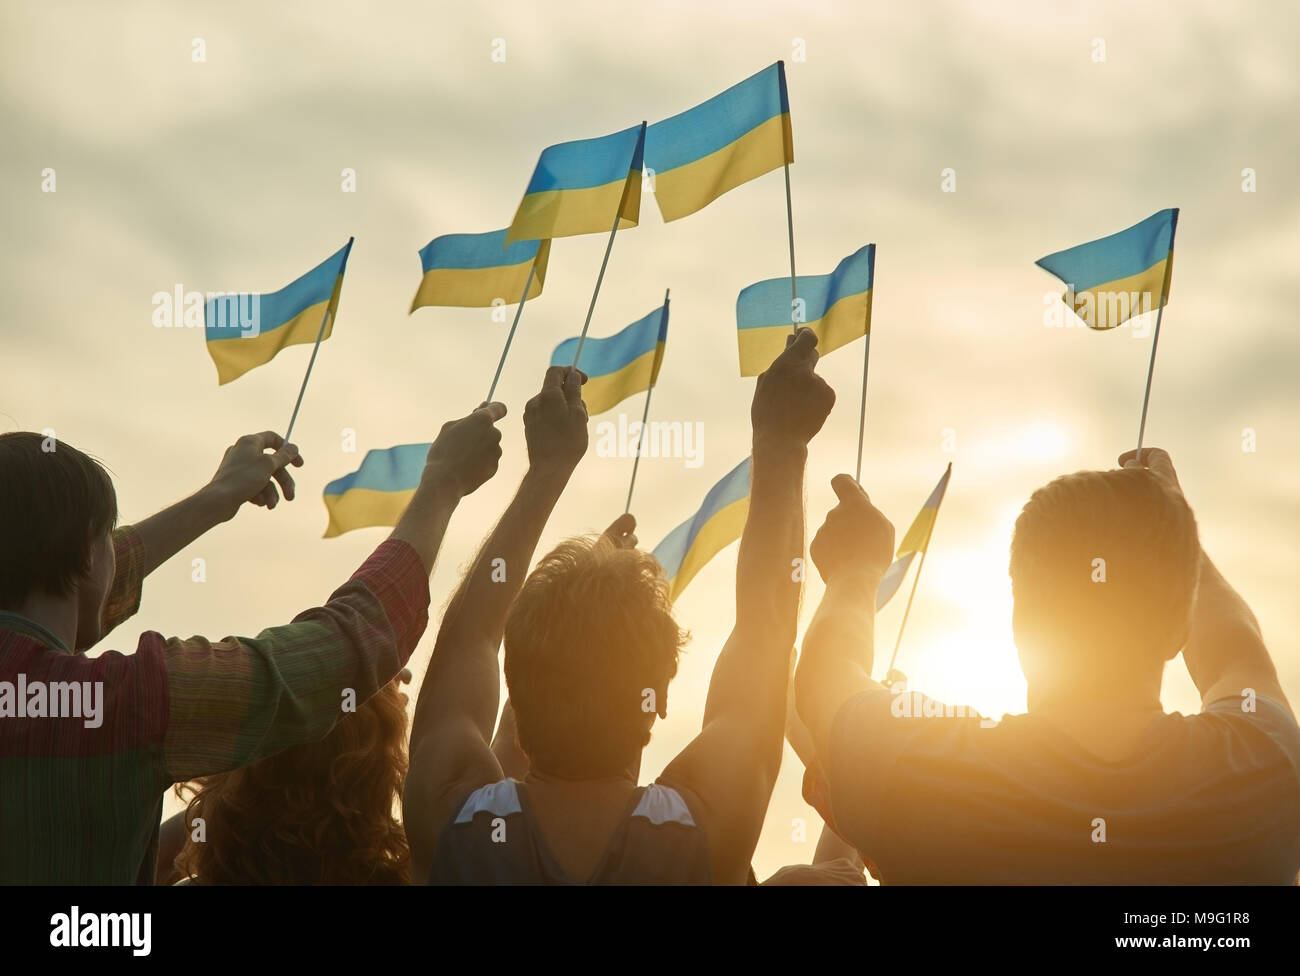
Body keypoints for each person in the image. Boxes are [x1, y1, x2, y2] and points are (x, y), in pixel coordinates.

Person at [0, 408, 504, 883]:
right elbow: (347, 642)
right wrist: (442, 483)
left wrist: (214, 499)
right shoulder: (126, 705)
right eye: (106, 539)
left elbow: (68, 576)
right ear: (89, 556)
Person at [405, 331, 835, 884]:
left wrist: (547, 472)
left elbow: (468, 640)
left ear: (514, 686)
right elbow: (767, 632)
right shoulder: (704, 831)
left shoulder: (450, 820)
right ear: (655, 696)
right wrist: (781, 442)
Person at [796, 449, 1300, 884]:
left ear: (1020, 623)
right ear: (1179, 627)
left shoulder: (918, 766)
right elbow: (1236, 653)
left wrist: (855, 570)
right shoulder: (1264, 769)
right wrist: (1174, 526)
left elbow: (824, 679)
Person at [159, 671, 413, 884]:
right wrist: (377, 707)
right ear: (376, 779)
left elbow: (142, 859)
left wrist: (225, 804)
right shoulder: (411, 877)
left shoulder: (215, 878)